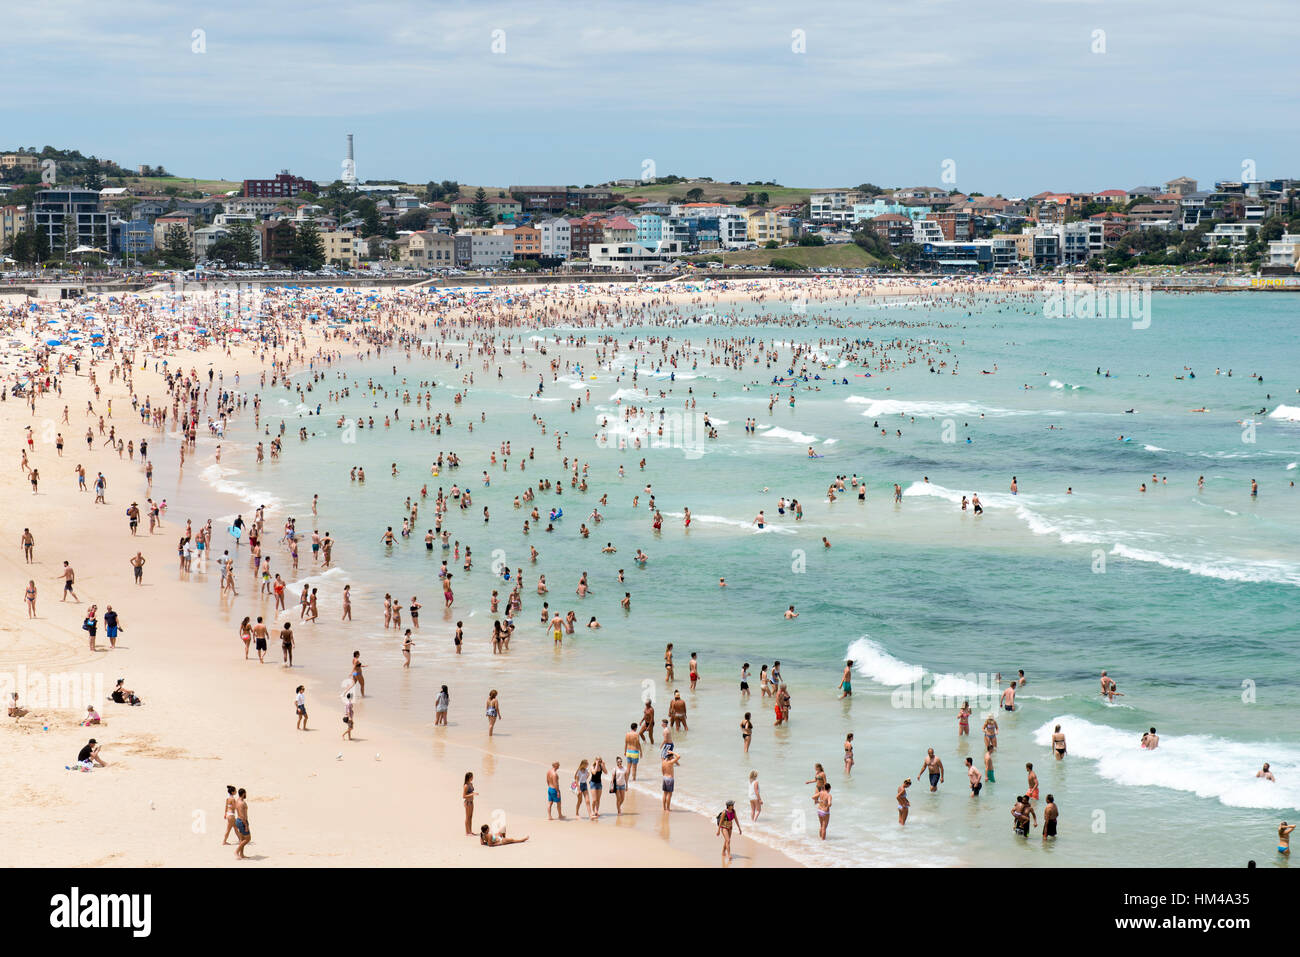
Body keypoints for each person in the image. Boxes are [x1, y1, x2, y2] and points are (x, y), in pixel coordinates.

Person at [234, 788, 251, 860]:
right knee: (248, 839)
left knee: (242, 839)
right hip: (242, 821)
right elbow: (242, 815)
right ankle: (236, 851)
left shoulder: (237, 801)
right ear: (243, 793)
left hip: (238, 820)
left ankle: (242, 854)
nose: (246, 795)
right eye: (245, 793)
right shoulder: (241, 803)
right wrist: (246, 825)